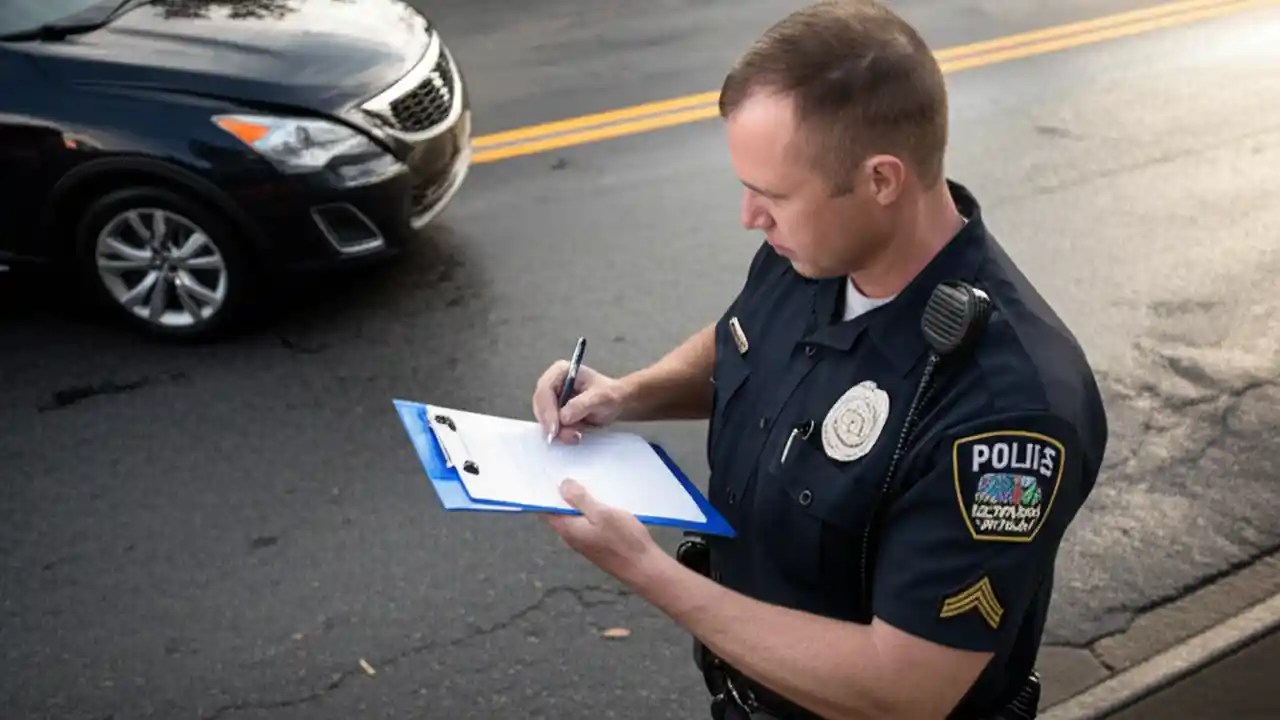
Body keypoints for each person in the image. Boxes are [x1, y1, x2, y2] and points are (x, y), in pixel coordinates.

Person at [531, 1, 1108, 718]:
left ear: (882, 180)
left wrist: (646, 571)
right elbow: (743, 339)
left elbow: (904, 691)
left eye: (771, 194)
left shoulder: (1008, 409)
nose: (749, 216)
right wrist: (626, 395)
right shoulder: (814, 251)